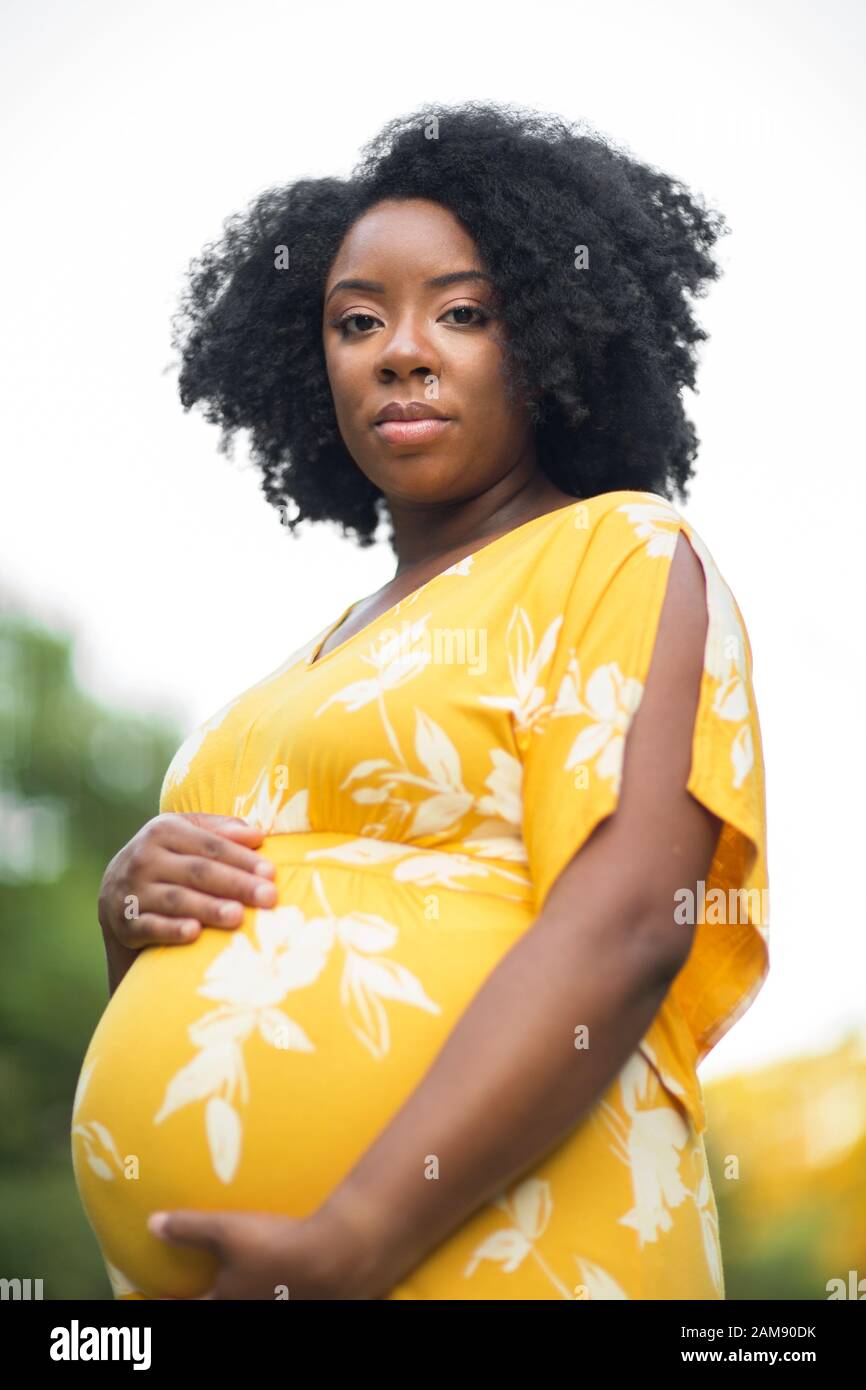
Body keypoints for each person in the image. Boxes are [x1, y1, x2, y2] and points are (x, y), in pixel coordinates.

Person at [71, 101, 769, 1301]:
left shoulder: (616, 553)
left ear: (553, 340)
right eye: (356, 321)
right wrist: (126, 908)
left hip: (508, 1257)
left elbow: (626, 924)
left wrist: (353, 1235)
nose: (401, 349)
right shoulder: (315, 653)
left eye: (462, 313)